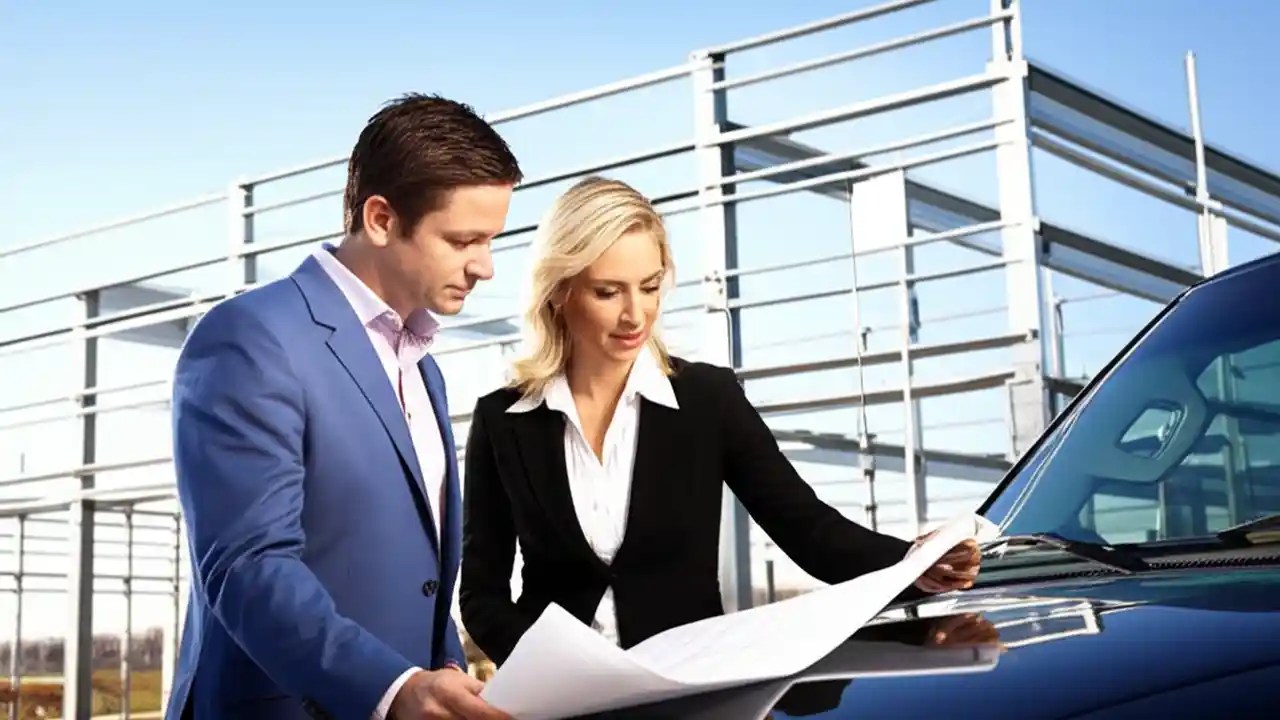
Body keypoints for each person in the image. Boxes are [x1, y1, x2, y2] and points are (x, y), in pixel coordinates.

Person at [459, 176, 982, 667]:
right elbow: (482, 596)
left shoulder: (708, 399)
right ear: (559, 290)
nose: (635, 315)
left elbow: (808, 530)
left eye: (649, 286)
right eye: (608, 291)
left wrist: (916, 564)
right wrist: (549, 669)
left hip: (691, 692)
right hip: (558, 703)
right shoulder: (503, 420)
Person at [167, 93, 520, 720]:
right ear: (381, 218)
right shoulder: (251, 338)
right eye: (464, 239)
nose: (485, 266)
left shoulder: (423, 366)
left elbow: (424, 581)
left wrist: (441, 684)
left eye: (491, 239)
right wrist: (393, 688)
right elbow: (248, 568)